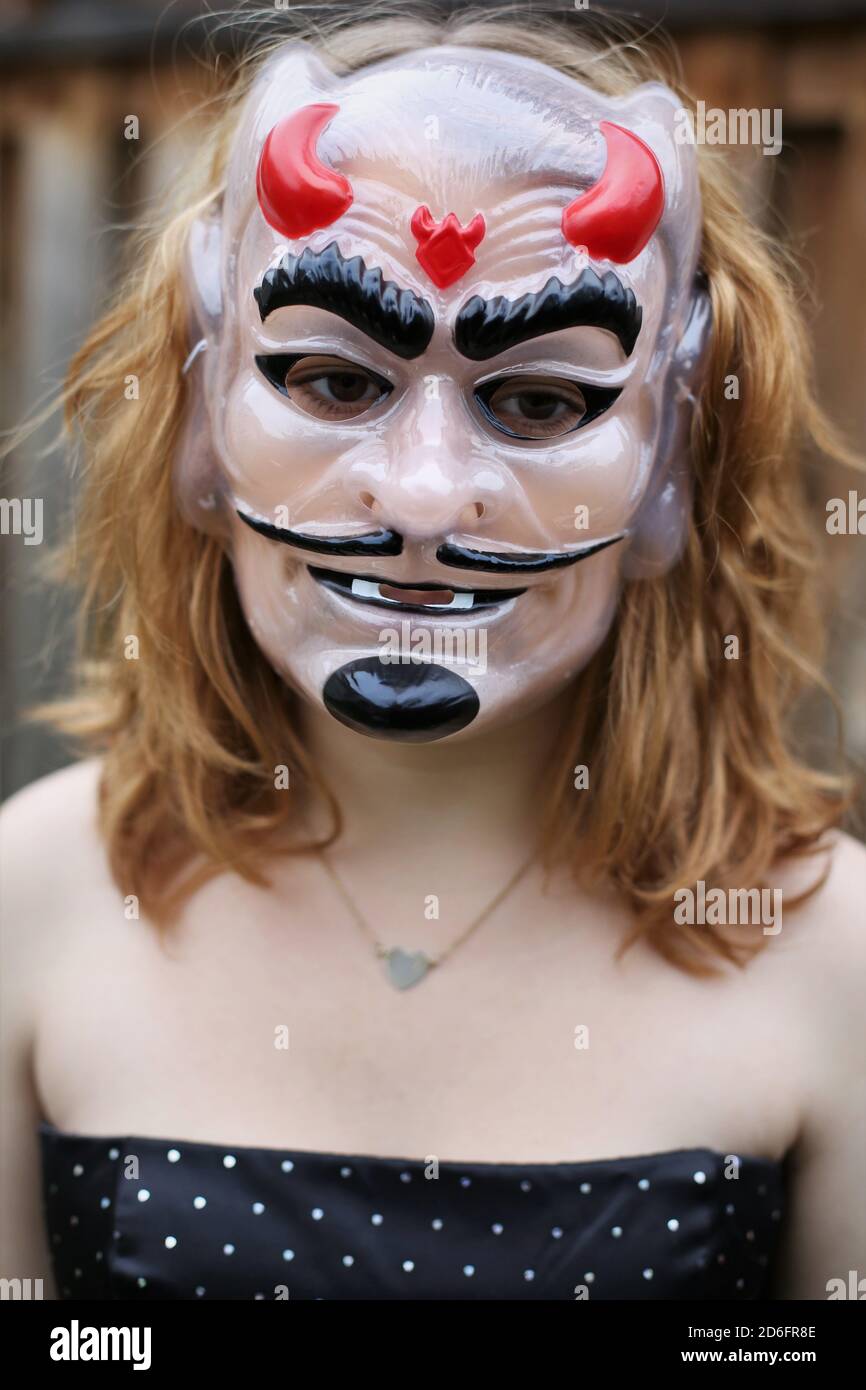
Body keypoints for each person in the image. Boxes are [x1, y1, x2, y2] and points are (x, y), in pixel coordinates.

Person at [1, 2, 863, 1302]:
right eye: (336, 380)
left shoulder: (829, 951)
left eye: (537, 399)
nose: (419, 494)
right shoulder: (35, 899)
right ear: (198, 396)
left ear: (672, 446)